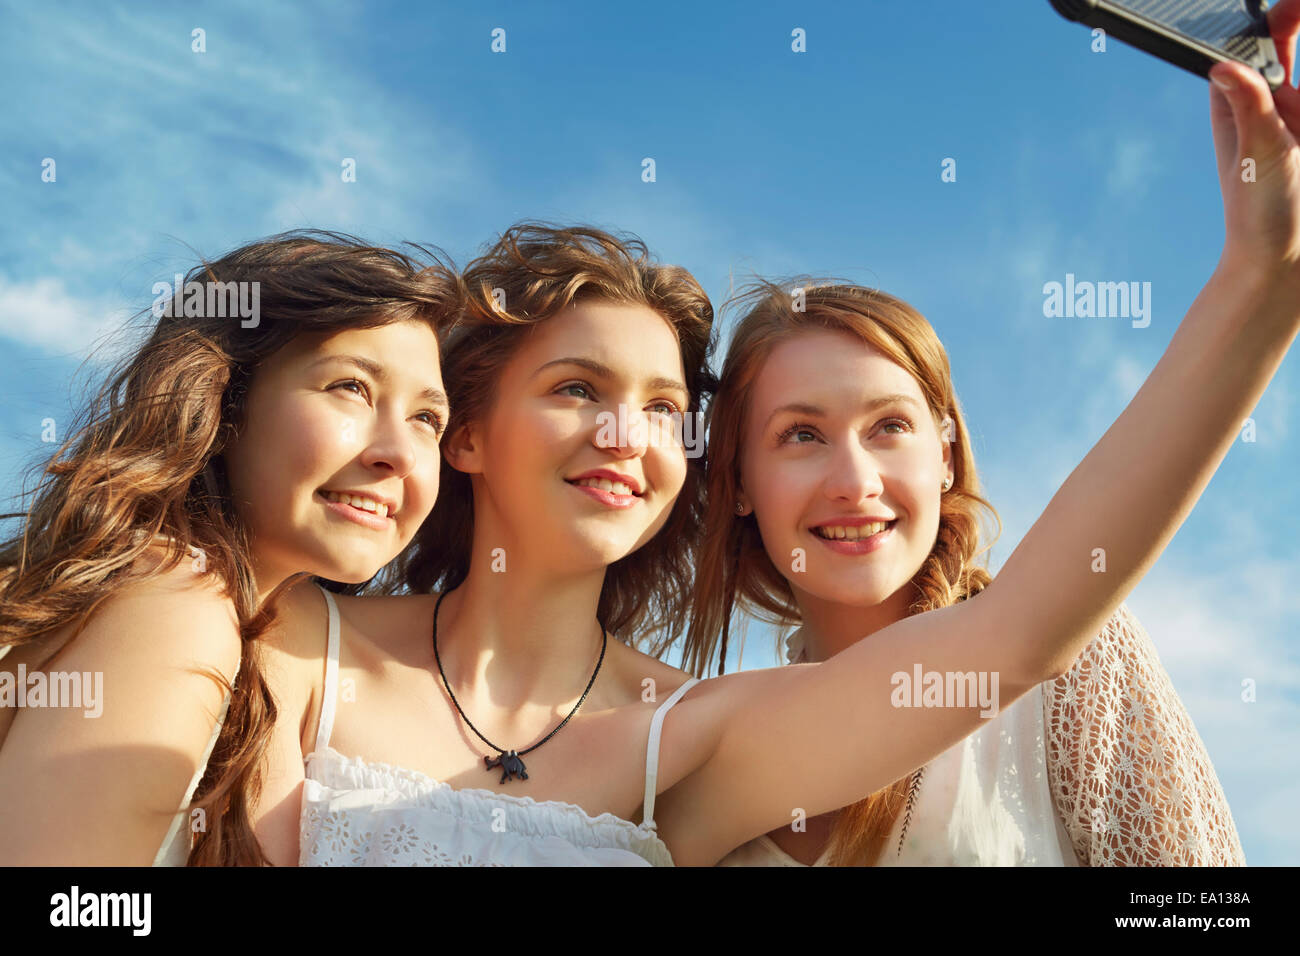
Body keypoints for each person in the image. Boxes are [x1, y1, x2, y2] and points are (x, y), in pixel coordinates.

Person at [255, 26, 1300, 864]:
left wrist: (1259, 281)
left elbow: (1026, 633)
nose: (625, 435)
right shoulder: (298, 638)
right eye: (577, 388)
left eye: (667, 406)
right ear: (465, 429)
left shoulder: (697, 729)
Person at [692, 281, 1245, 866]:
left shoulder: (1070, 668)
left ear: (946, 458)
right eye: (801, 435)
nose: (855, 483)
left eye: (889, 427)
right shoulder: (710, 757)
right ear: (740, 482)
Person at [0, 232, 459, 865]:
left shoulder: (224, 622)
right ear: (225, 399)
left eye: (426, 419)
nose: (400, 454)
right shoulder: (175, 599)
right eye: (350, 388)